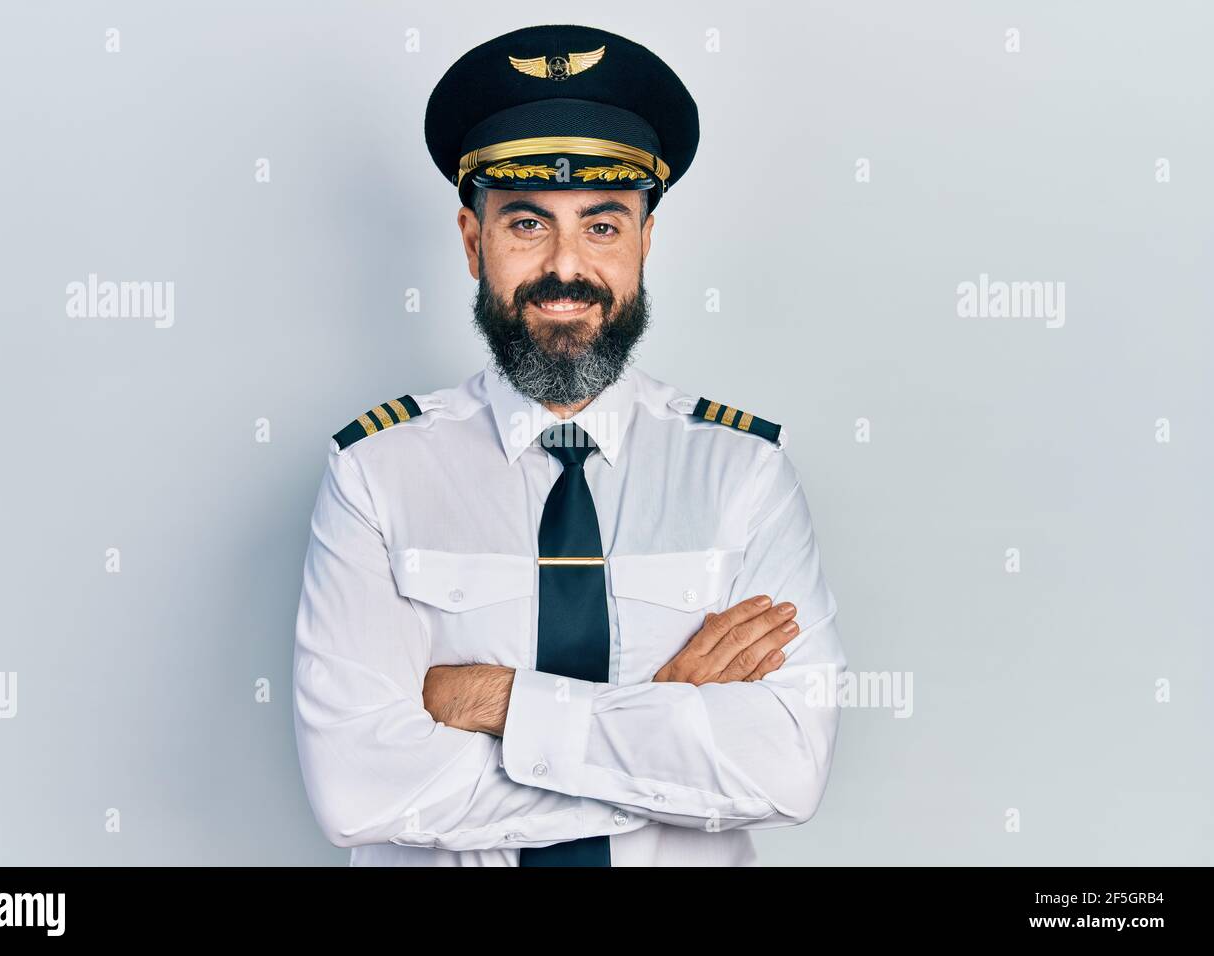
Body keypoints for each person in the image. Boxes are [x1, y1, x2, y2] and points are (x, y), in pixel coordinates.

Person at [292, 23, 846, 866]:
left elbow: (785, 769)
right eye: (525, 224)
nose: (565, 266)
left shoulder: (744, 474)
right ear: (473, 242)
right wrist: (662, 728)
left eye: (602, 226)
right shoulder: (375, 474)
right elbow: (358, 788)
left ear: (644, 243)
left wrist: (501, 702)